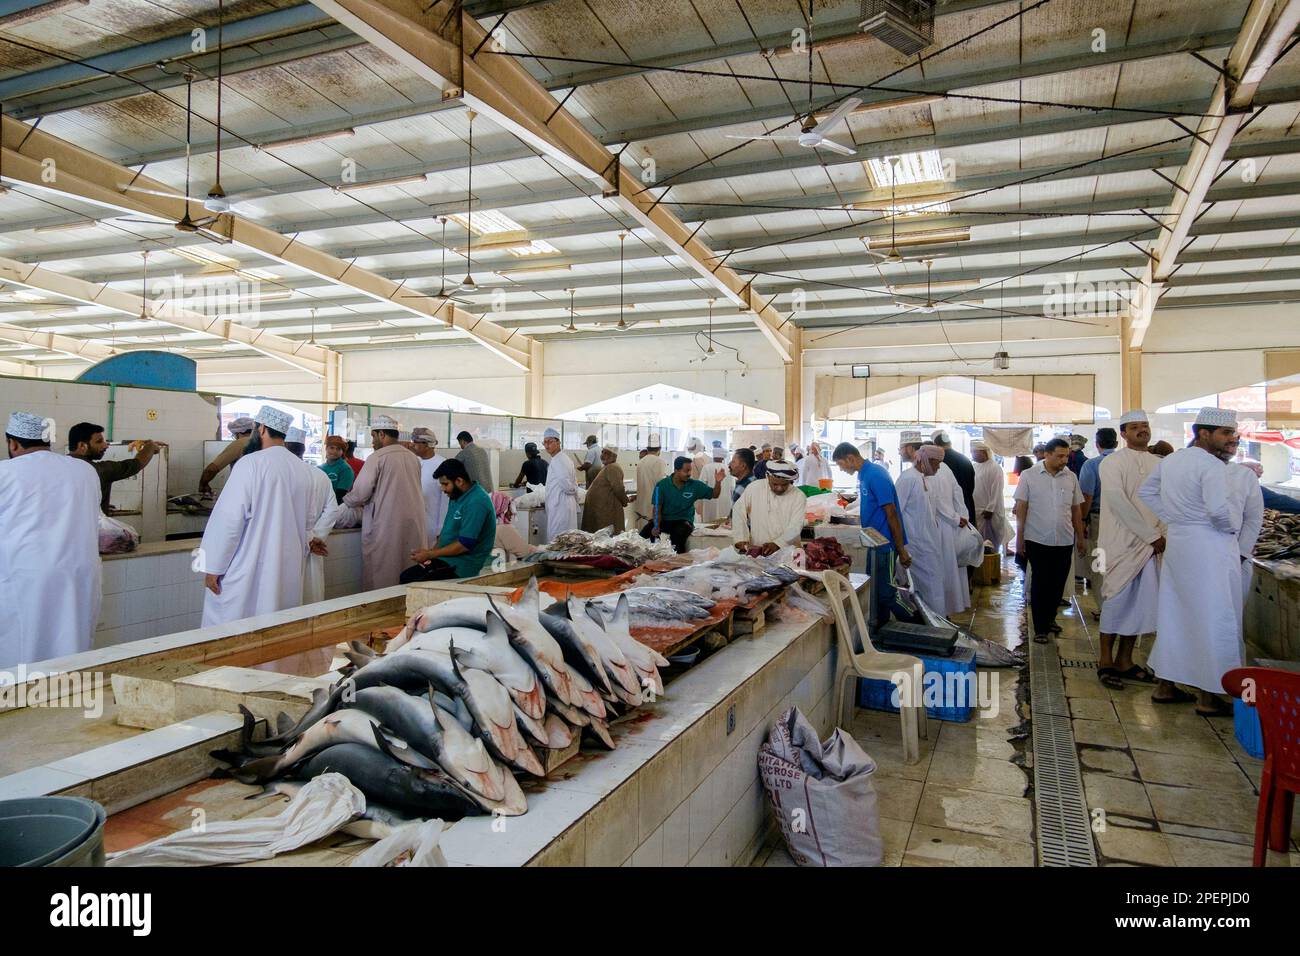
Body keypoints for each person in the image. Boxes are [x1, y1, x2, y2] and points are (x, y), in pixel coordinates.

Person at [1139, 407, 1248, 716]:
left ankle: (1165, 685)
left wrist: (1175, 518)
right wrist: (1230, 526)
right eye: (1226, 434)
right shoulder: (1212, 466)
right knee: (1215, 616)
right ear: (1204, 433)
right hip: (1209, 545)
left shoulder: (1172, 461)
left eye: (1233, 434)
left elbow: (1146, 492)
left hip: (1181, 543)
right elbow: (1218, 512)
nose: (1231, 440)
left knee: (1176, 613)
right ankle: (1210, 697)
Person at [195, 406, 314, 627]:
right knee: (278, 627)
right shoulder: (303, 469)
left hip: (249, 567)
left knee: (234, 625)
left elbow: (229, 521)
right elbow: (309, 520)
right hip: (285, 570)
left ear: (260, 430)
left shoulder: (250, 464)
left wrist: (213, 567)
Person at [0, 411, 101, 666]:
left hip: (25, 576)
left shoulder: (5, 472)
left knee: (22, 646)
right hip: (79, 573)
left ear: (12, 443)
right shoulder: (85, 471)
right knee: (72, 640)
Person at [1094, 411, 1163, 690]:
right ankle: (1105, 661)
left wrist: (1160, 535)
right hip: (1120, 543)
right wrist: (1151, 535)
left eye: (1145, 426)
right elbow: (1118, 502)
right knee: (1115, 601)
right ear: (1123, 434)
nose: (1142, 431)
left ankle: (1125, 660)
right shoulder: (1112, 463)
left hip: (1150, 546)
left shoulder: (1159, 464)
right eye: (1135, 427)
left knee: (1139, 604)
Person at [1013, 437, 1087, 644]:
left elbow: (1076, 509)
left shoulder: (1070, 477)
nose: (1064, 460)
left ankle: (1050, 618)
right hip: (1037, 538)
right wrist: (1020, 540)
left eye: (1066, 456)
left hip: (1063, 539)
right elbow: (1021, 508)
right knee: (1040, 583)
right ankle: (1040, 628)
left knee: (1058, 584)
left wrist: (1080, 537)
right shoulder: (1029, 476)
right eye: (1060, 456)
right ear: (1047, 454)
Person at [344, 415, 428, 590]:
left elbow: (360, 494)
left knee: (383, 571)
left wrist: (345, 500)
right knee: (409, 569)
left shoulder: (377, 458)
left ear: (381, 434)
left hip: (385, 524)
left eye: (373, 437)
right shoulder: (413, 458)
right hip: (413, 524)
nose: (373, 442)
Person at [831, 441, 911, 626]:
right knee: (876, 590)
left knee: (886, 592)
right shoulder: (864, 474)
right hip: (873, 543)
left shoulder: (875, 474)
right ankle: (882, 627)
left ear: (850, 458)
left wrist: (901, 549)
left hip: (885, 544)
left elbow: (891, 513)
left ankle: (917, 622)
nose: (841, 470)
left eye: (841, 464)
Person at [401, 459, 498, 582]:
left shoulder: (476, 502)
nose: (442, 489)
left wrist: (430, 554)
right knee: (407, 576)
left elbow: (465, 544)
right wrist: (429, 553)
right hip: (447, 558)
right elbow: (447, 532)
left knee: (410, 580)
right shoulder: (457, 496)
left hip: (463, 565)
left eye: (445, 484)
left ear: (459, 481)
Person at [285, 427, 341, 605]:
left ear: (284, 446)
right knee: (310, 598)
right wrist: (314, 537)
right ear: (303, 449)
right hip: (313, 545)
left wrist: (308, 538)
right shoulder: (319, 475)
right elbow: (333, 509)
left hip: (286, 546)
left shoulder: (281, 475)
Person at [894, 434, 947, 614]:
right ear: (926, 459)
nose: (939, 467)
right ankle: (934, 630)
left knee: (933, 588)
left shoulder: (923, 478)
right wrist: (901, 549)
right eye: (936, 463)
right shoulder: (908, 478)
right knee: (928, 589)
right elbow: (895, 513)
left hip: (928, 545)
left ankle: (938, 626)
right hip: (916, 547)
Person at [67, 422, 160, 514]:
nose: (105, 445)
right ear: (82, 446)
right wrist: (151, 446)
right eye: (99, 442)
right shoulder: (98, 470)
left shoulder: (62, 465)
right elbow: (136, 464)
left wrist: (100, 505)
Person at [923, 442, 972, 617]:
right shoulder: (944, 468)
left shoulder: (929, 472)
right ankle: (945, 609)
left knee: (941, 570)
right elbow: (958, 493)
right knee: (949, 569)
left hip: (940, 526)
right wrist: (962, 516)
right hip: (951, 525)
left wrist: (956, 518)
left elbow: (938, 502)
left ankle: (940, 610)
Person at [642, 455, 723, 553]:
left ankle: (679, 564)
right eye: (686, 471)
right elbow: (656, 508)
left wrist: (718, 482)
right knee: (644, 533)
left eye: (690, 470)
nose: (689, 474)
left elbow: (714, 494)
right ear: (676, 470)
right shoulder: (661, 485)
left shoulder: (694, 485)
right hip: (665, 520)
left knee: (677, 535)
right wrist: (656, 526)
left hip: (683, 521)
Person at [1078, 426, 1118, 611]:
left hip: (1099, 519)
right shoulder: (1124, 462)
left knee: (1099, 562)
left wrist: (1082, 520)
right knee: (1120, 562)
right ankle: (1120, 606)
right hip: (1125, 521)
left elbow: (1087, 496)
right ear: (1117, 443)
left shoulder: (1092, 465)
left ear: (1097, 444)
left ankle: (1104, 608)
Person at [732, 460, 805, 555]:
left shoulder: (798, 496)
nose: (779, 488)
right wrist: (741, 539)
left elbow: (796, 526)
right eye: (775, 484)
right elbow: (738, 510)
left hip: (788, 554)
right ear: (768, 477)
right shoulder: (754, 488)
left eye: (784, 485)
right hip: (758, 552)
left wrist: (778, 544)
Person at [1227, 459, 1265, 603]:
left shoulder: (1245, 477)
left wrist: (1242, 552)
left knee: (1233, 607)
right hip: (1213, 556)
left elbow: (1254, 519)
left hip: (1237, 555)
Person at [409, 427, 448, 546]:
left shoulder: (442, 465)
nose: (412, 445)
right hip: (413, 525)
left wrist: (440, 531)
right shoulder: (413, 462)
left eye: (416, 443)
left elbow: (445, 503)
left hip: (431, 528)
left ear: (426, 445)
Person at [199, 416, 254, 494]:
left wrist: (203, 484)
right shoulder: (263, 443)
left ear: (239, 432)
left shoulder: (241, 443)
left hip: (244, 491)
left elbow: (211, 469)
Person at [541, 427, 578, 543]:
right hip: (563, 505)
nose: (547, 446)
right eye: (545, 442)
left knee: (558, 540)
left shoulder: (558, 460)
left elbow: (567, 486)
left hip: (560, 506)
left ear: (558, 442)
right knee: (566, 540)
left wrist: (570, 492)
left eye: (550, 442)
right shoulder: (562, 458)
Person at [972, 441, 1010, 553]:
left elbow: (997, 490)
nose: (973, 455)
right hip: (977, 509)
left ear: (983, 452)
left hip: (989, 512)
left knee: (991, 543)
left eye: (974, 452)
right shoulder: (974, 466)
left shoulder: (995, 468)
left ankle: (990, 566)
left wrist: (990, 509)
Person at [581, 443, 629, 533]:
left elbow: (618, 489)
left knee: (606, 536)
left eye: (607, 453)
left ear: (614, 456)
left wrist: (625, 501)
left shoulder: (613, 467)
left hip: (606, 509)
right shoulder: (607, 467)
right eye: (602, 452)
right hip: (600, 508)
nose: (603, 455)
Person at [931, 429, 976, 522]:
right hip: (967, 505)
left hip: (951, 512)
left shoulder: (939, 462)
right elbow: (971, 486)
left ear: (935, 445)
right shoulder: (964, 459)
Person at [634, 433, 670, 528]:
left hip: (641, 508)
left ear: (648, 448)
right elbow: (662, 486)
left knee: (642, 538)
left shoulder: (640, 462)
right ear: (659, 449)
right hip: (653, 509)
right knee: (654, 540)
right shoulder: (659, 462)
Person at [699, 442, 731, 523]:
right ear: (723, 458)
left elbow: (701, 484)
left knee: (709, 523)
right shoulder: (728, 468)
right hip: (725, 499)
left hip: (710, 499)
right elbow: (733, 486)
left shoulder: (707, 467)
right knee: (723, 523)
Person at [319, 435, 355, 503]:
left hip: (336, 508)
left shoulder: (346, 469)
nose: (334, 451)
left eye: (338, 449)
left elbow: (340, 495)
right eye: (331, 448)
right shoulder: (320, 468)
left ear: (342, 452)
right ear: (326, 449)